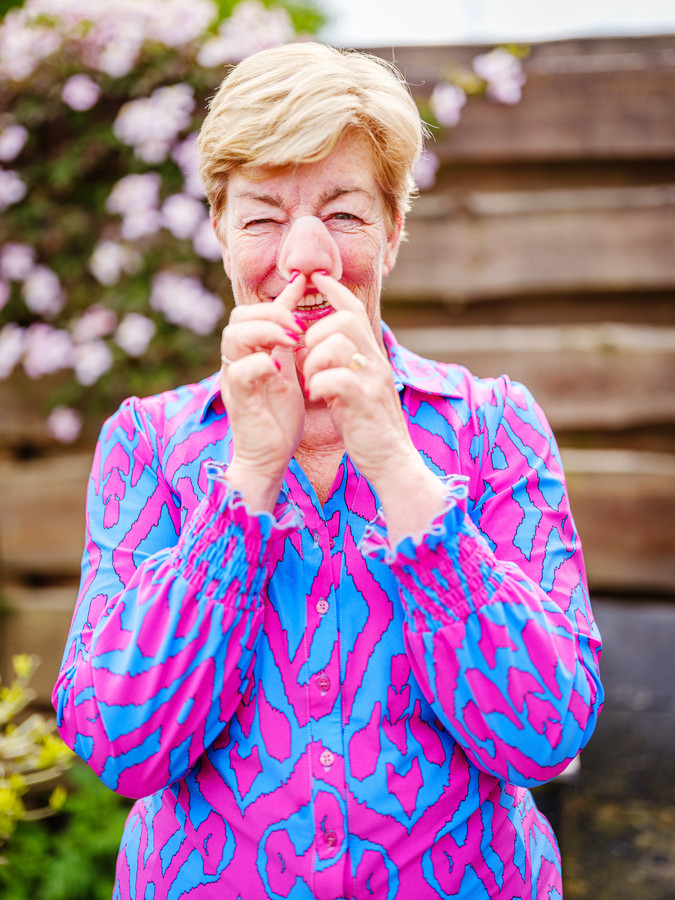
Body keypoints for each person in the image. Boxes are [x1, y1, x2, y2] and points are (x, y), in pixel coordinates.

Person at [53, 42, 603, 900]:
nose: (303, 259)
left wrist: (392, 460)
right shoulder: (149, 445)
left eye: (343, 215)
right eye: (263, 216)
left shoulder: (494, 427)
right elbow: (123, 746)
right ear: (222, 237)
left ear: (391, 234)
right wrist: (247, 477)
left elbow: (543, 733)